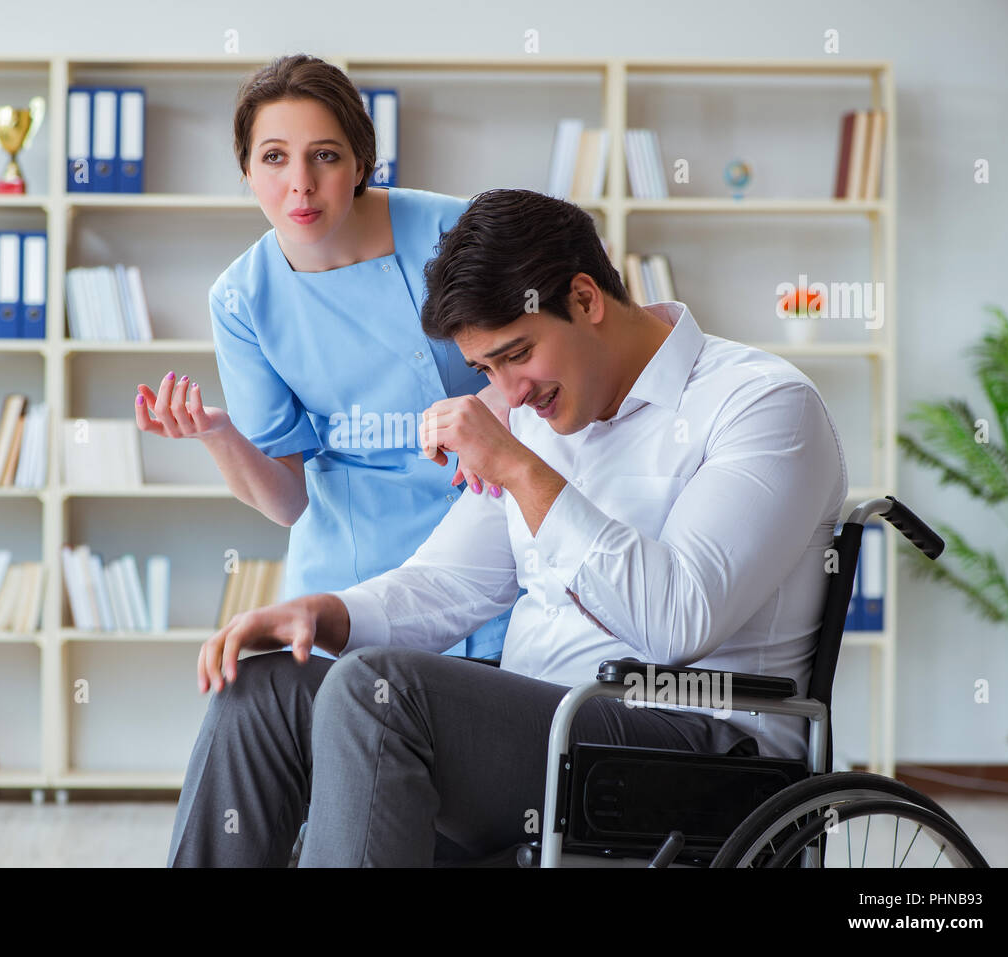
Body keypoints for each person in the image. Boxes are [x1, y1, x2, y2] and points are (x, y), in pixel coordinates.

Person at [167, 188, 848, 867]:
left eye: (517, 354)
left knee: (377, 692)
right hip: (550, 733)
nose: (510, 392)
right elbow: (448, 584)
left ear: (585, 299)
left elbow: (679, 619)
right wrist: (326, 612)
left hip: (696, 750)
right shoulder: (543, 419)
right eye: (488, 370)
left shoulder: (762, 406)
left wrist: (523, 471)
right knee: (263, 690)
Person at [134, 54, 514, 666]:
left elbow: (562, 318)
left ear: (362, 162)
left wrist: (497, 397)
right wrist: (217, 431)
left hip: (488, 557)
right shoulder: (242, 299)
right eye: (275, 157)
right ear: (247, 170)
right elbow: (288, 501)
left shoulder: (453, 231)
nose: (300, 184)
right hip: (350, 585)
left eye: (326, 155)